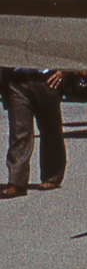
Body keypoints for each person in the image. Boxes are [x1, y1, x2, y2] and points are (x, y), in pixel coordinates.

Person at [3, 67, 68, 197]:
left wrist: (64, 71)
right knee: (19, 132)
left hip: (46, 80)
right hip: (16, 81)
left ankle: (52, 176)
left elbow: (69, 52)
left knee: (50, 130)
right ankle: (16, 182)